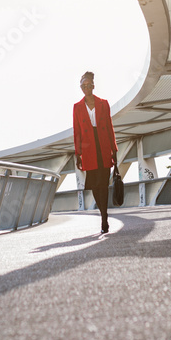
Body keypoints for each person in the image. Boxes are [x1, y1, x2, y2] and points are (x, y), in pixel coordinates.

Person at [72, 71, 117, 234]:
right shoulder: (77, 107)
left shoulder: (103, 103)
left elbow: (110, 127)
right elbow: (77, 131)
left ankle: (104, 218)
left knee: (103, 184)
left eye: (88, 85)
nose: (86, 88)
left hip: (103, 145)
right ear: (81, 88)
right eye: (83, 86)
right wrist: (78, 153)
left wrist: (114, 149)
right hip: (88, 148)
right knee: (94, 185)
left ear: (93, 86)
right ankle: (103, 214)